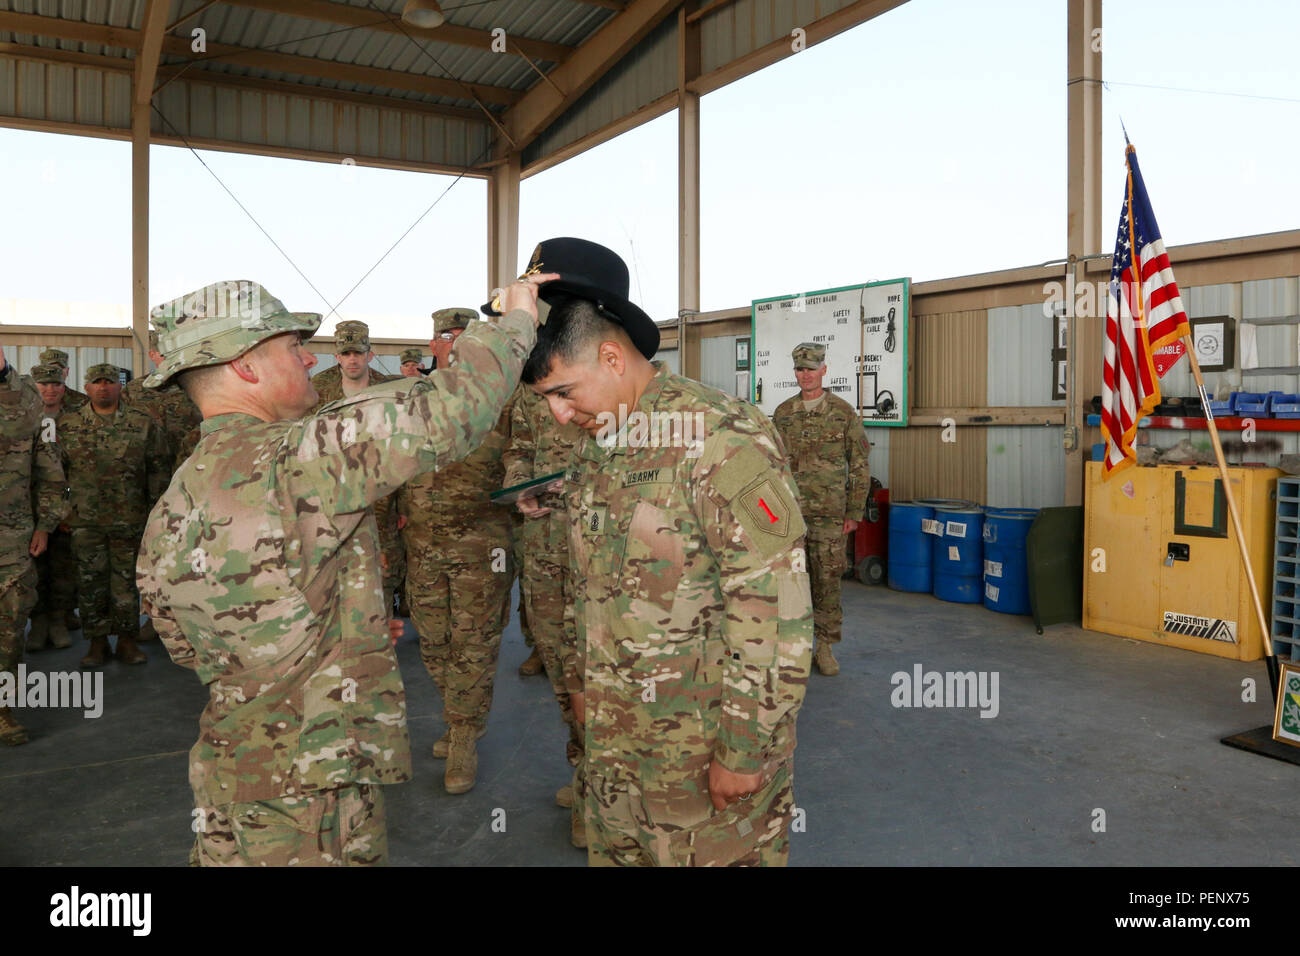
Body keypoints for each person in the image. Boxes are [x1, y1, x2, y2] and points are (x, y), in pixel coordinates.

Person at [135, 277, 548, 866]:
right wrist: (517, 317)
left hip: (233, 772)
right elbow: (454, 407)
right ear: (247, 367)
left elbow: (182, 637)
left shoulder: (179, 495)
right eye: (290, 346)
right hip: (314, 791)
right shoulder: (303, 454)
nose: (310, 357)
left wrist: (333, 632)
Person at [508, 237, 813, 866]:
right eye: (546, 402)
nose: (561, 416)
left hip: (704, 752)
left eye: (565, 392)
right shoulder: (601, 444)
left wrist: (744, 747)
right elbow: (587, 582)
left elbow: (775, 605)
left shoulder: (720, 436)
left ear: (614, 359)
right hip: (618, 748)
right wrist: (581, 690)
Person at [397, 306, 516, 795]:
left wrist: (520, 482)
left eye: (467, 335)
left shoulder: (504, 400)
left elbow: (524, 455)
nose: (458, 343)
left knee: (474, 645)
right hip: (421, 544)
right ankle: (459, 715)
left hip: (481, 547)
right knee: (434, 641)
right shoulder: (411, 399)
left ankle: (465, 734)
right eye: (449, 335)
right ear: (433, 346)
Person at [502, 384, 587, 843]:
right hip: (542, 549)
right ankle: (583, 769)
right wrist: (522, 486)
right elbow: (517, 448)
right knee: (558, 664)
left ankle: (601, 787)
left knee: (596, 669)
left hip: (597, 551)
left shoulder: (608, 387)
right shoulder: (529, 395)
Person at [57, 363, 169, 668]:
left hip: (130, 519)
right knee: (90, 583)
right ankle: (96, 643)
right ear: (87, 388)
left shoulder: (142, 424)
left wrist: (155, 515)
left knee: (125, 584)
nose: (103, 387)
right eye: (97, 382)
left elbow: (159, 470)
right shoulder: (68, 426)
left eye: (110, 382)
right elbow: (56, 473)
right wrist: (62, 512)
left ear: (120, 387)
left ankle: (126, 641)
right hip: (85, 520)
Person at [771, 343, 871, 677]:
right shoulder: (783, 414)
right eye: (800, 369)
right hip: (790, 515)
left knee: (827, 583)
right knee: (790, 583)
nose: (805, 375)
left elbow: (859, 465)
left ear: (824, 371)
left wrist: (854, 513)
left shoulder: (842, 413)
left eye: (811, 369)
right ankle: (792, 647)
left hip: (830, 517)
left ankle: (824, 647)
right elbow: (770, 465)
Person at [310, 320, 404, 615]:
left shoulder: (390, 390)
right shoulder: (316, 390)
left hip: (381, 502)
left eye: (358, 354)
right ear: (336, 356)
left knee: (380, 578)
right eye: (346, 354)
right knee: (331, 581)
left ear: (370, 355)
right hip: (330, 504)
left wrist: (405, 505)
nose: (353, 360)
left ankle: (379, 645)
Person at [0, 347, 67, 745]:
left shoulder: (26, 396)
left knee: (8, 632)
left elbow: (50, 473)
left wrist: (45, 524)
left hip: (11, 543)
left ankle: (2, 711)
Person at [25, 363, 78, 652]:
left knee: (62, 569)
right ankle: (39, 623)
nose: (49, 390)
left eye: (55, 384)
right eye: (43, 384)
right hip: (29, 506)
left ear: (63, 386)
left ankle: (58, 621)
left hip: (66, 506)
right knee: (34, 570)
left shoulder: (75, 419)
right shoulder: (24, 418)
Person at [123, 330, 204, 474]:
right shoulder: (134, 389)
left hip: (190, 466)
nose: (169, 359)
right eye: (163, 354)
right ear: (152, 355)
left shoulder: (196, 385)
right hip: (148, 469)